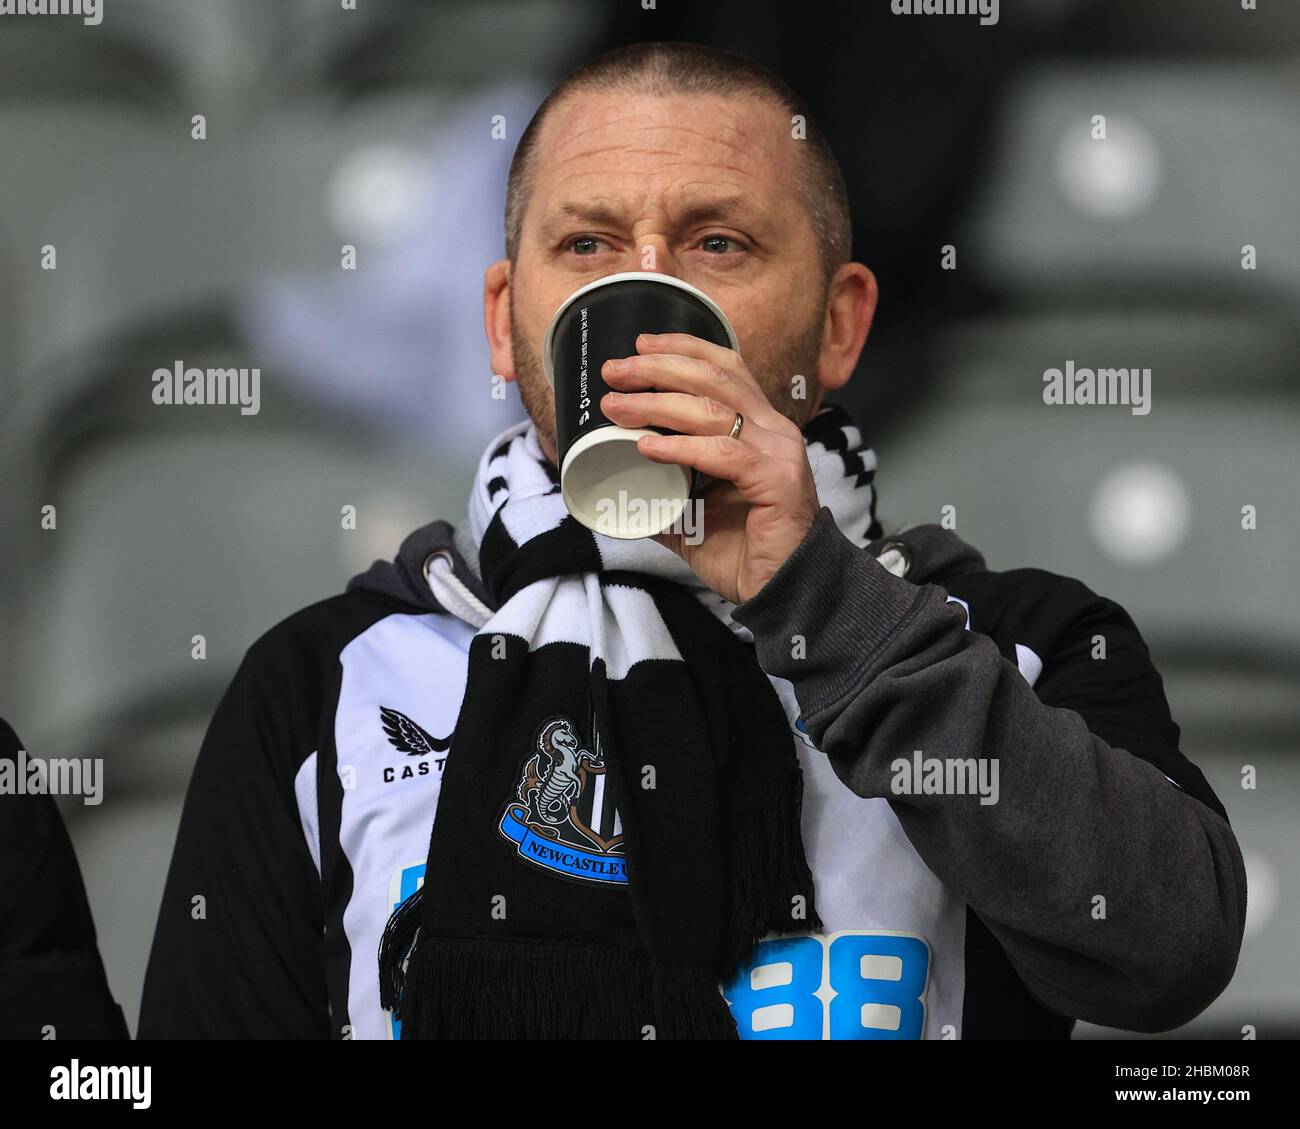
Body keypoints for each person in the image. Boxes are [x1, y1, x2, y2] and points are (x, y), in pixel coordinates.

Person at [139, 41, 1245, 1040]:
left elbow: (1169, 954)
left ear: (840, 325)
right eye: (588, 243)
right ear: (501, 319)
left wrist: (816, 596)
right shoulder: (320, 684)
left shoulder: (1021, 645)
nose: (653, 288)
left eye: (716, 242)